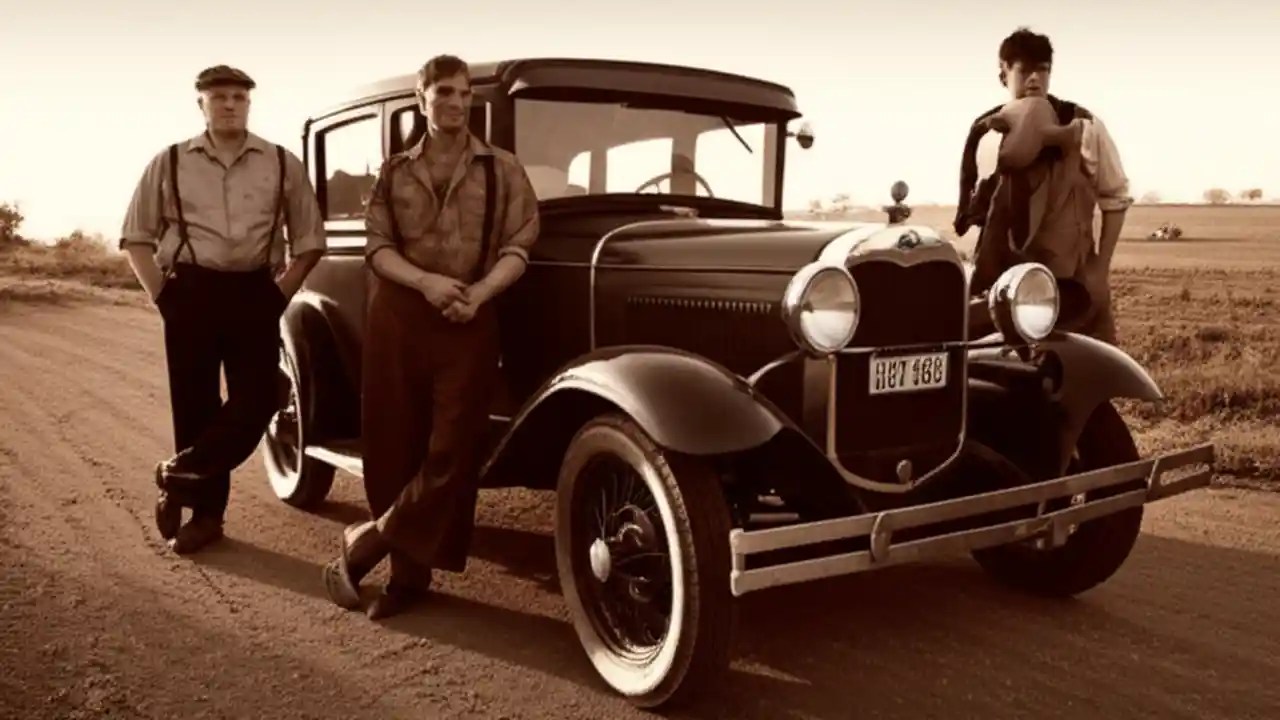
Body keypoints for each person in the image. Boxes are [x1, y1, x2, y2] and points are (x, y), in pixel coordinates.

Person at [321, 54, 540, 620]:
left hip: (470, 316)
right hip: (400, 316)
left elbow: (519, 245)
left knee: (454, 450)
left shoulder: (503, 170)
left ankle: (368, 542)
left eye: (464, 94)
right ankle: (407, 578)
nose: (456, 103)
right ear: (422, 100)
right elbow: (377, 248)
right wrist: (428, 283)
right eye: (444, 93)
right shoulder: (394, 172)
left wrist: (480, 292)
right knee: (396, 445)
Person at [118, 64, 326, 554]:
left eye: (239, 97)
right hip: (190, 291)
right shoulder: (170, 161)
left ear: (249, 103)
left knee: (262, 395)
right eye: (219, 97)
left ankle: (179, 473)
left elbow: (310, 240)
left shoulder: (281, 162)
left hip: (256, 291)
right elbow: (135, 237)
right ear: (202, 105)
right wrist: (163, 297)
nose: (230, 105)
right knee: (195, 403)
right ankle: (206, 516)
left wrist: (280, 293)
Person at [954, 27, 1132, 344]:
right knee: (991, 365)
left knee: (1088, 367)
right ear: (1003, 76)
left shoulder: (1085, 126)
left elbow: (1115, 198)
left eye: (1043, 70)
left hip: (1072, 284)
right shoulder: (987, 132)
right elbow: (983, 212)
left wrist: (1099, 269)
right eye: (1024, 71)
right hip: (1005, 287)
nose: (1035, 79)